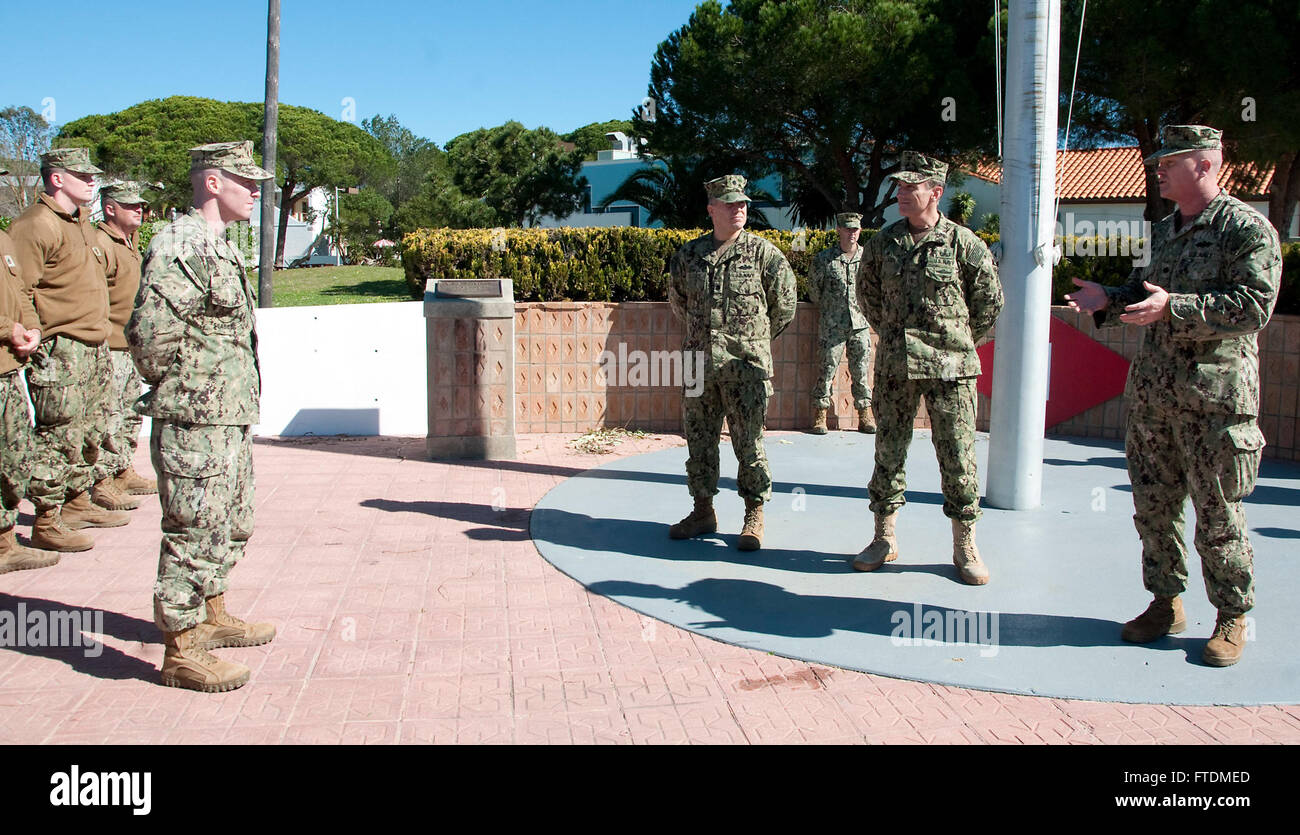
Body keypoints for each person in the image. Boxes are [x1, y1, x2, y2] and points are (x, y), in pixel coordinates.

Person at [1065, 125, 1281, 667]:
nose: (1158, 168)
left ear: (1205, 165)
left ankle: (1231, 614)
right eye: (1159, 161)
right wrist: (1106, 300)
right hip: (1155, 398)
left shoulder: (1246, 229)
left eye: (1171, 160)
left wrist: (1175, 308)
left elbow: (1253, 307)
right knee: (1154, 508)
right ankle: (1165, 602)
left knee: (1217, 513)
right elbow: (1144, 292)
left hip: (1214, 402)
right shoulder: (1161, 231)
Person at [128, 141, 275, 692]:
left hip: (226, 416)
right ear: (212, 183)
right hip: (195, 417)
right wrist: (186, 388)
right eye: (244, 180)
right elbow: (149, 335)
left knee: (229, 523)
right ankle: (182, 649)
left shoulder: (218, 245)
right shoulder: (179, 244)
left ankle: (212, 615)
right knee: (193, 530)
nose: (255, 190)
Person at [853, 151, 1003, 584]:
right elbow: (869, 296)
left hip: (951, 368)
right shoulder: (883, 242)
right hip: (896, 366)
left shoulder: (965, 244)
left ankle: (964, 544)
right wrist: (897, 335)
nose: (900, 193)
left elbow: (989, 303)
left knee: (958, 456)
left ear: (935, 192)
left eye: (910, 187)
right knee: (888, 451)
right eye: (898, 187)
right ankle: (883, 536)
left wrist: (955, 343)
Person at [8, 147, 129, 553]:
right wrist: (32, 332)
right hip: (62, 346)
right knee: (58, 434)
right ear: (57, 178)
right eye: (84, 176)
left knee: (89, 431)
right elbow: (20, 289)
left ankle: (77, 502)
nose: (93, 182)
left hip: (92, 345)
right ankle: (46, 518)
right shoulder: (34, 225)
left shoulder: (82, 224)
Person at [667, 174, 797, 551]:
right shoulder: (687, 256)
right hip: (696, 363)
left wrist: (752, 342)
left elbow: (784, 306)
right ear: (712, 210)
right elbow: (680, 304)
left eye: (742, 203)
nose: (739, 208)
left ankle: (754, 514)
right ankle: (702, 510)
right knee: (699, 441)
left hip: (746, 366)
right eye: (729, 203)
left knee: (750, 444)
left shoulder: (764, 254)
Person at [0, 167, 60, 575]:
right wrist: (9, 328)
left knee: (14, 456)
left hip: (7, 367)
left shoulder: (3, 237)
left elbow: (20, 290)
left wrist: (31, 326)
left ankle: (5, 540)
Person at [93, 181, 156, 509]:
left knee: (130, 414)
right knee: (108, 416)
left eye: (140, 206)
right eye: (130, 205)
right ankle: (102, 479)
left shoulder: (129, 243)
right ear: (109, 208)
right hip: (110, 346)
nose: (139, 211)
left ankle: (122, 469)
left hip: (130, 345)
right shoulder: (100, 244)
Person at [808, 211, 875, 434]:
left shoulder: (868, 259)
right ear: (839, 230)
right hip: (832, 326)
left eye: (855, 229)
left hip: (860, 324)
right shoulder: (824, 259)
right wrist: (830, 309)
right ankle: (820, 415)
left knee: (861, 372)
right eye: (847, 229)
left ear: (860, 230)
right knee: (826, 370)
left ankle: (865, 415)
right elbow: (814, 290)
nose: (851, 233)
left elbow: (874, 289)